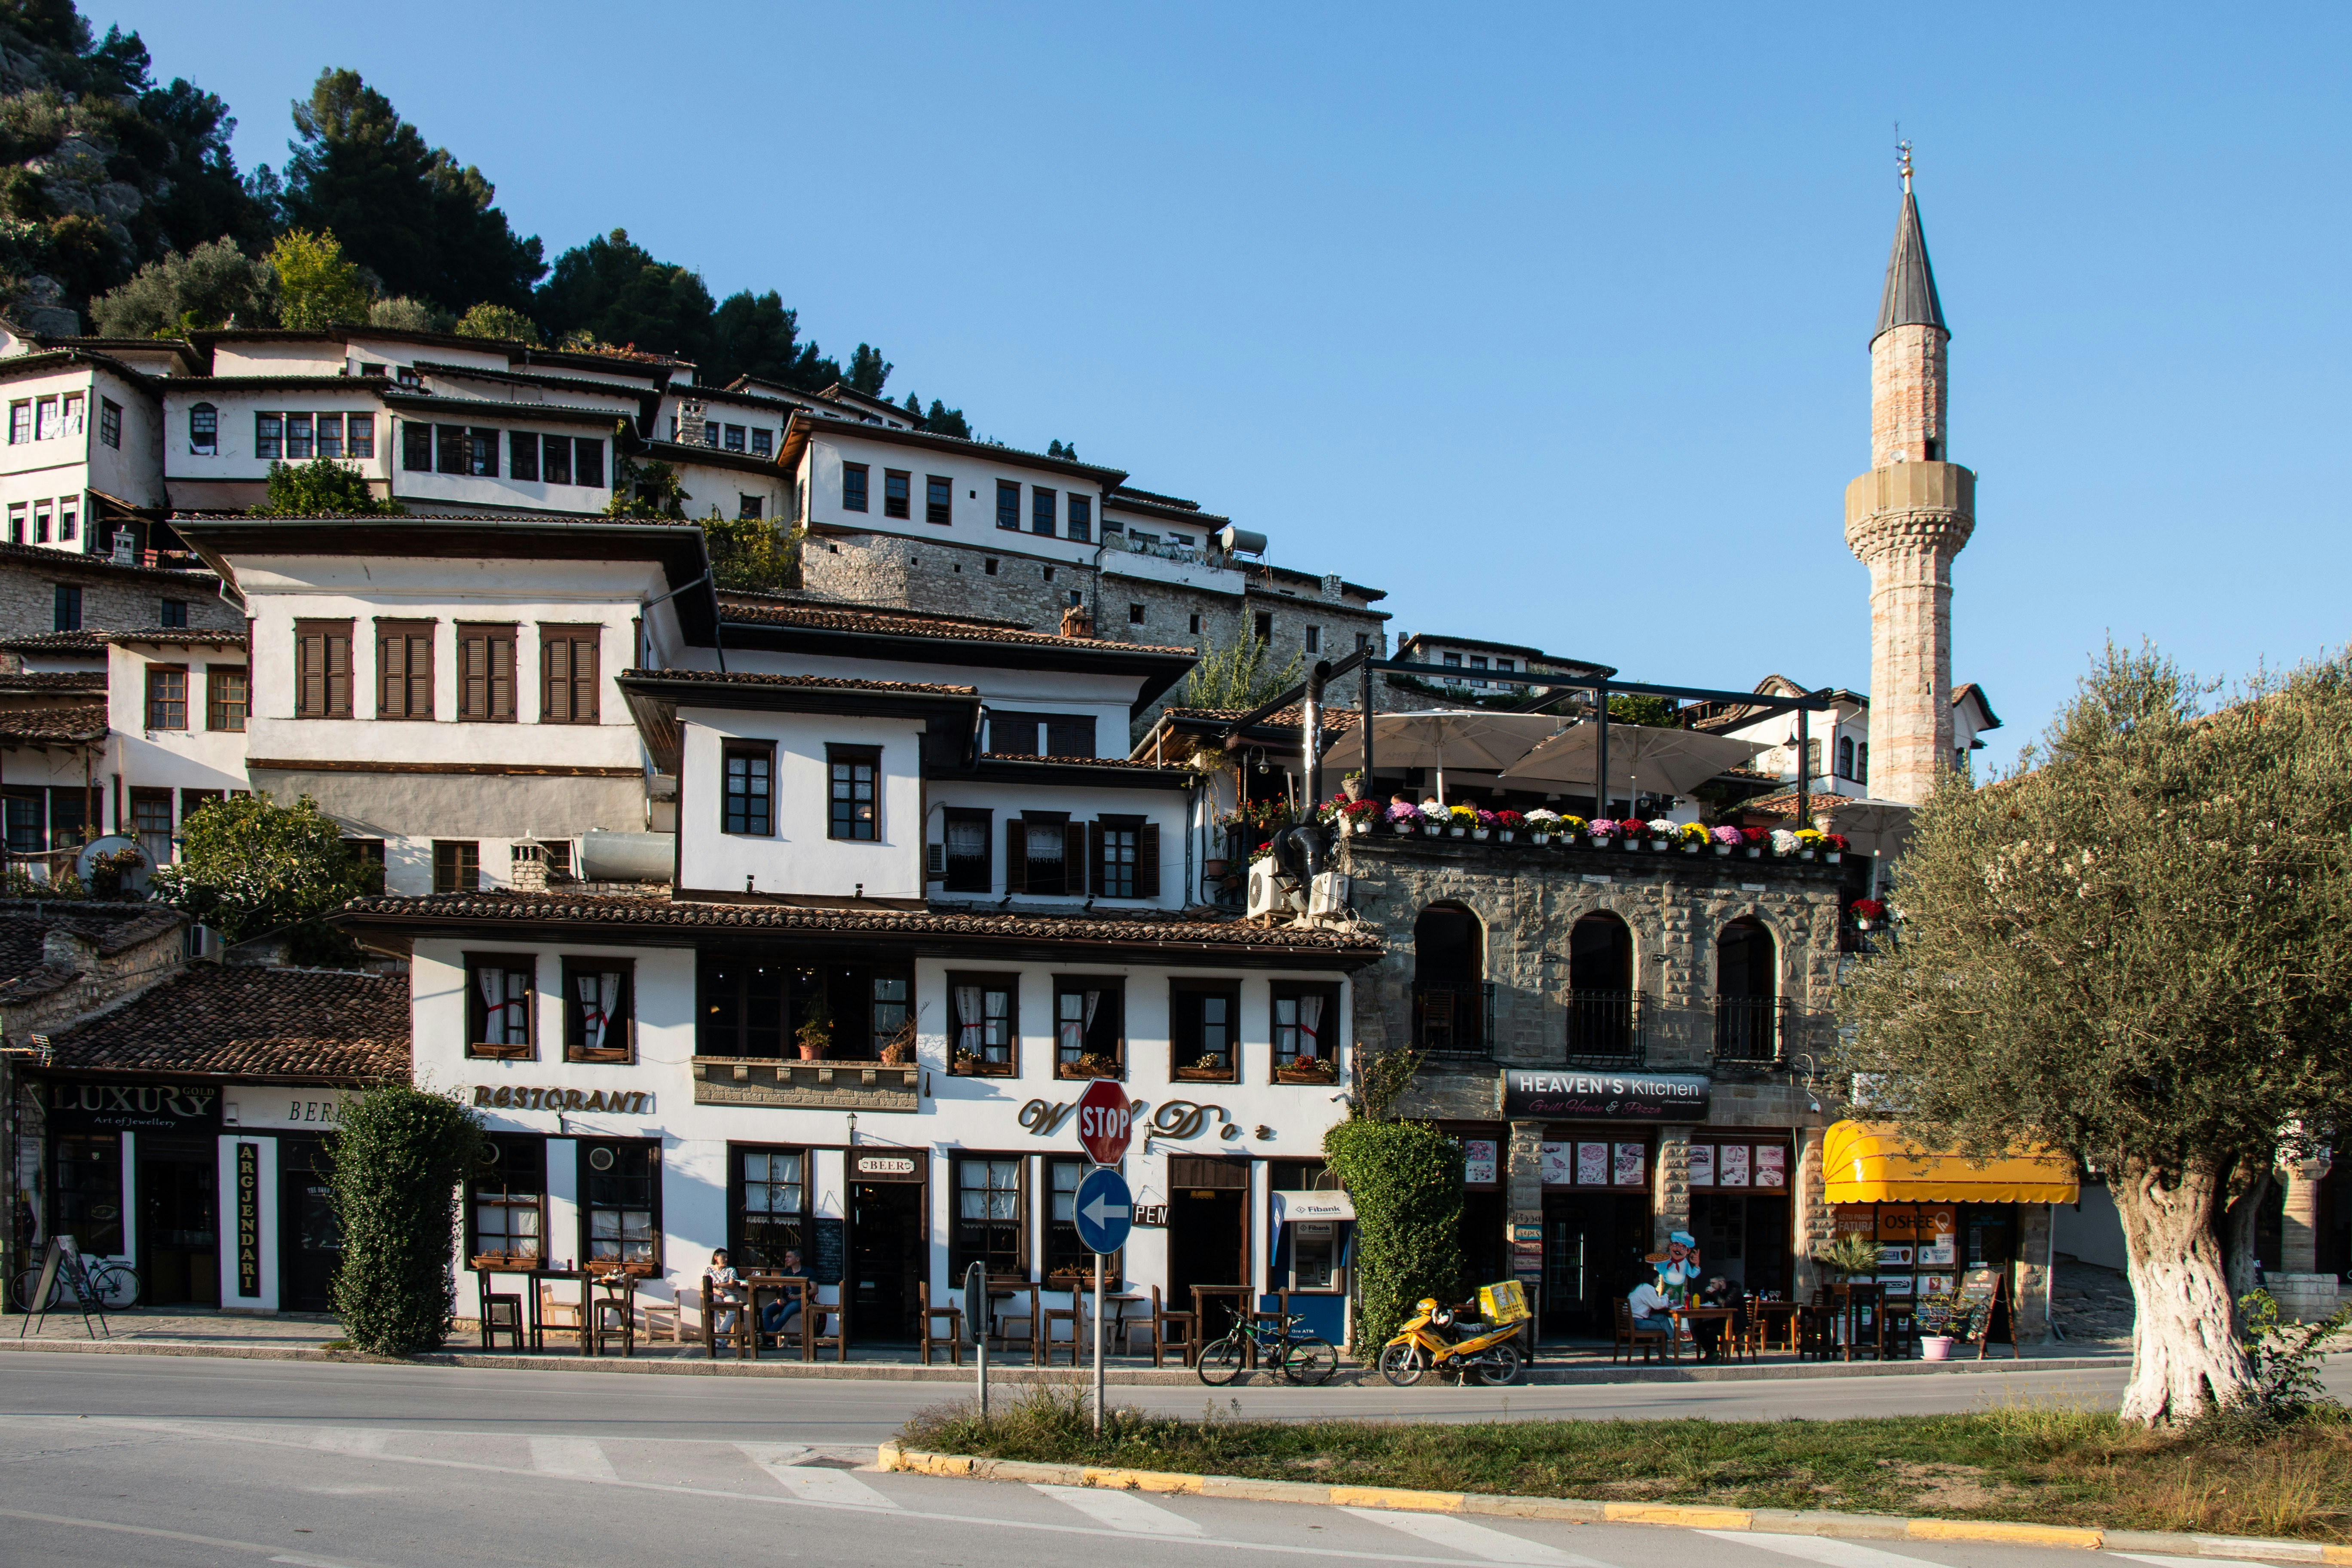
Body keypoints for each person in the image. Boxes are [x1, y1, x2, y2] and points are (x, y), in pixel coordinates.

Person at [759, 1248, 805, 1342]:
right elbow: (780, 1288)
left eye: (789, 1257)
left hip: (799, 1300)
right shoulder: (786, 1272)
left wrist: (799, 1296)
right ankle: (770, 1341)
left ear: (797, 1259)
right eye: (786, 1257)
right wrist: (779, 1298)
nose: (786, 1259)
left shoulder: (807, 1271)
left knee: (786, 1312)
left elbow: (814, 1290)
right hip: (785, 1299)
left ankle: (767, 1337)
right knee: (767, 1312)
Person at [706, 1248, 743, 1339]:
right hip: (715, 1292)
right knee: (714, 1308)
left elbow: (731, 1285)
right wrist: (716, 1290)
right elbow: (705, 1286)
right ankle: (718, 1336)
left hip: (728, 1293)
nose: (726, 1260)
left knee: (733, 1309)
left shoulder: (731, 1270)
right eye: (723, 1257)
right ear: (716, 1258)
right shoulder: (708, 1270)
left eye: (727, 1258)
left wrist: (716, 1285)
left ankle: (721, 1334)